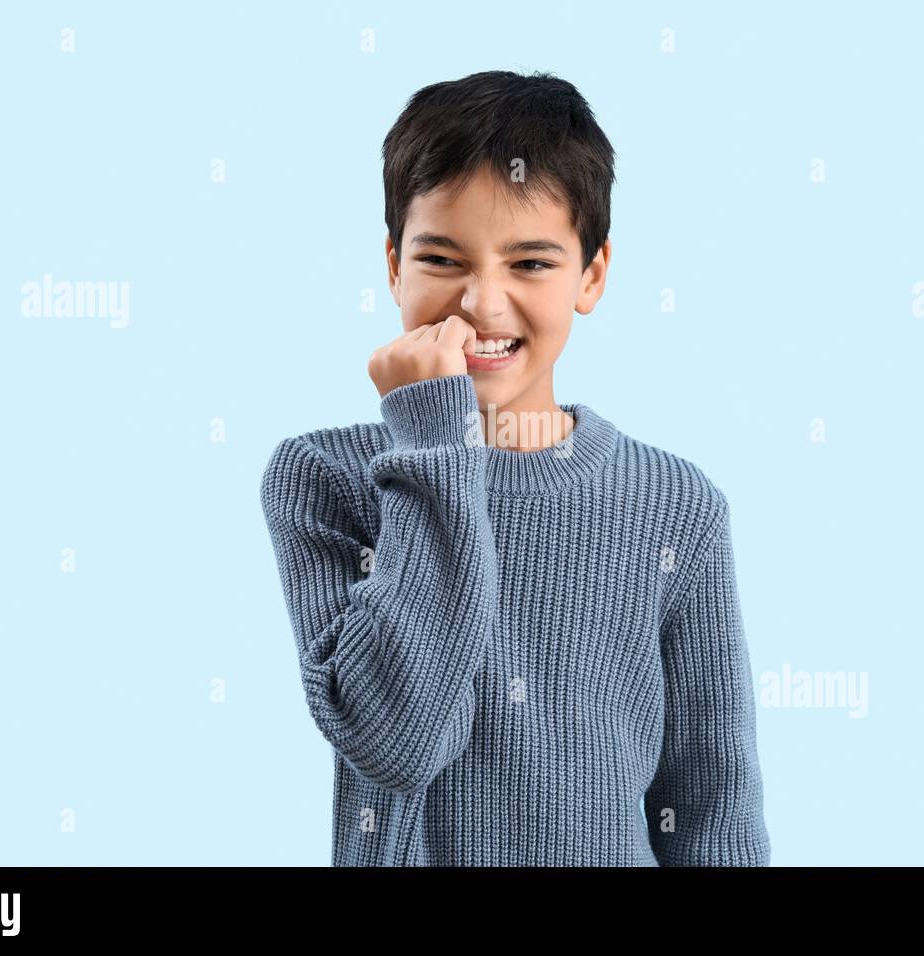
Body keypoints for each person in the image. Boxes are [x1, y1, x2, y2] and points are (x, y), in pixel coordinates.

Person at [260, 69, 770, 866]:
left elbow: (713, 804)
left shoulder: (676, 505)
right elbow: (397, 739)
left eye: (530, 263)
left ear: (591, 275)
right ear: (394, 266)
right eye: (441, 258)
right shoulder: (326, 480)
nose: (483, 304)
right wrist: (435, 444)